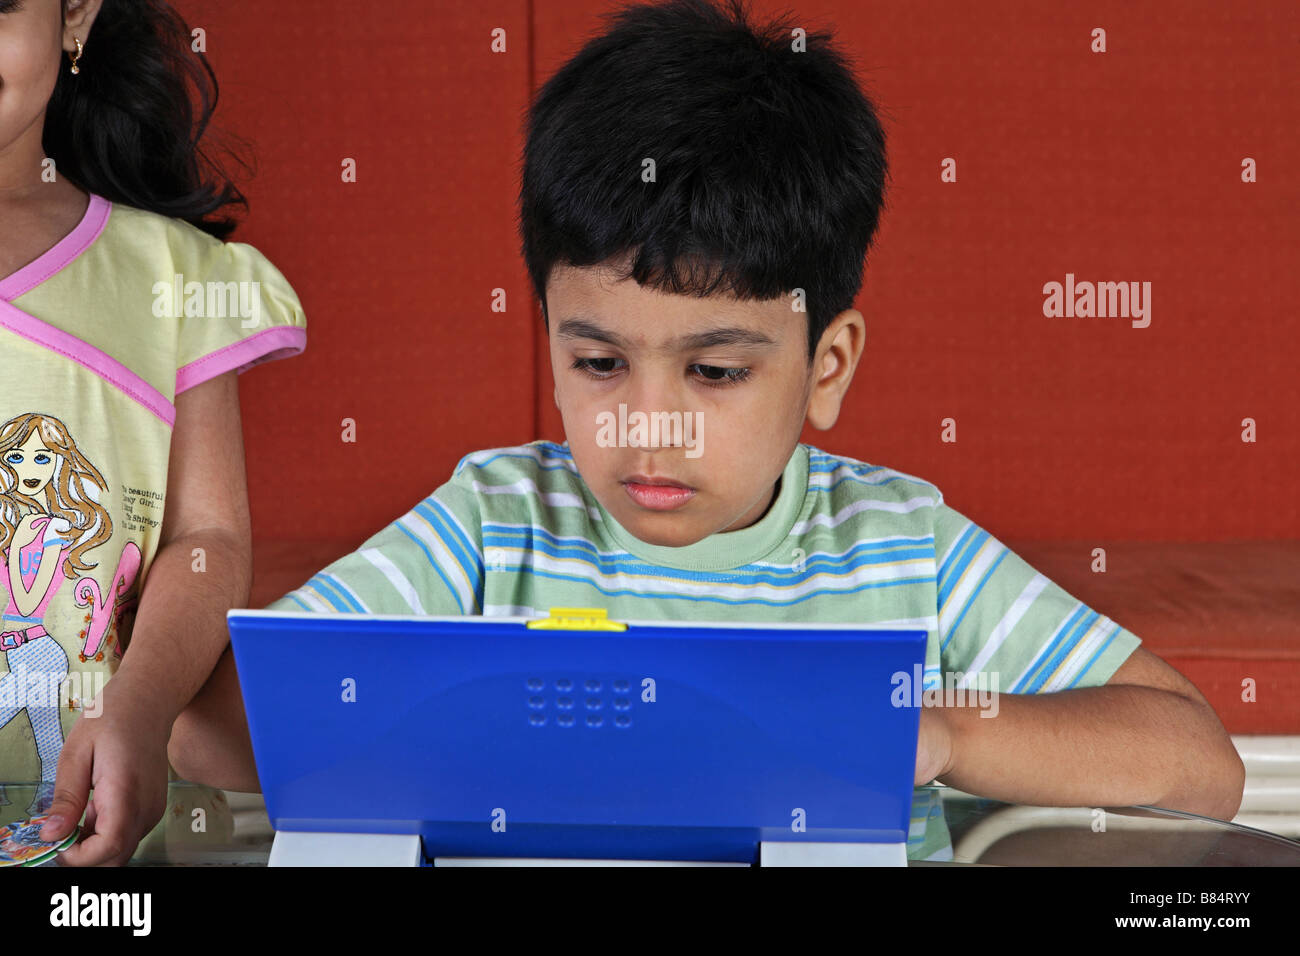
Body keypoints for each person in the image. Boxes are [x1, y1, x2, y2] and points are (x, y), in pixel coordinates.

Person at [176, 0, 1241, 860]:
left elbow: (1196, 756)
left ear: (826, 367)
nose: (647, 419)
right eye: (597, 363)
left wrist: (945, 731)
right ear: (544, 335)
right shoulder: (496, 521)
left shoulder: (897, 544)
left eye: (716, 370)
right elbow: (213, 735)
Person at [0, 0, 306, 864]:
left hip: (89, 846)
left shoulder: (175, 278)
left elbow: (207, 539)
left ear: (74, 17)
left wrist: (139, 702)